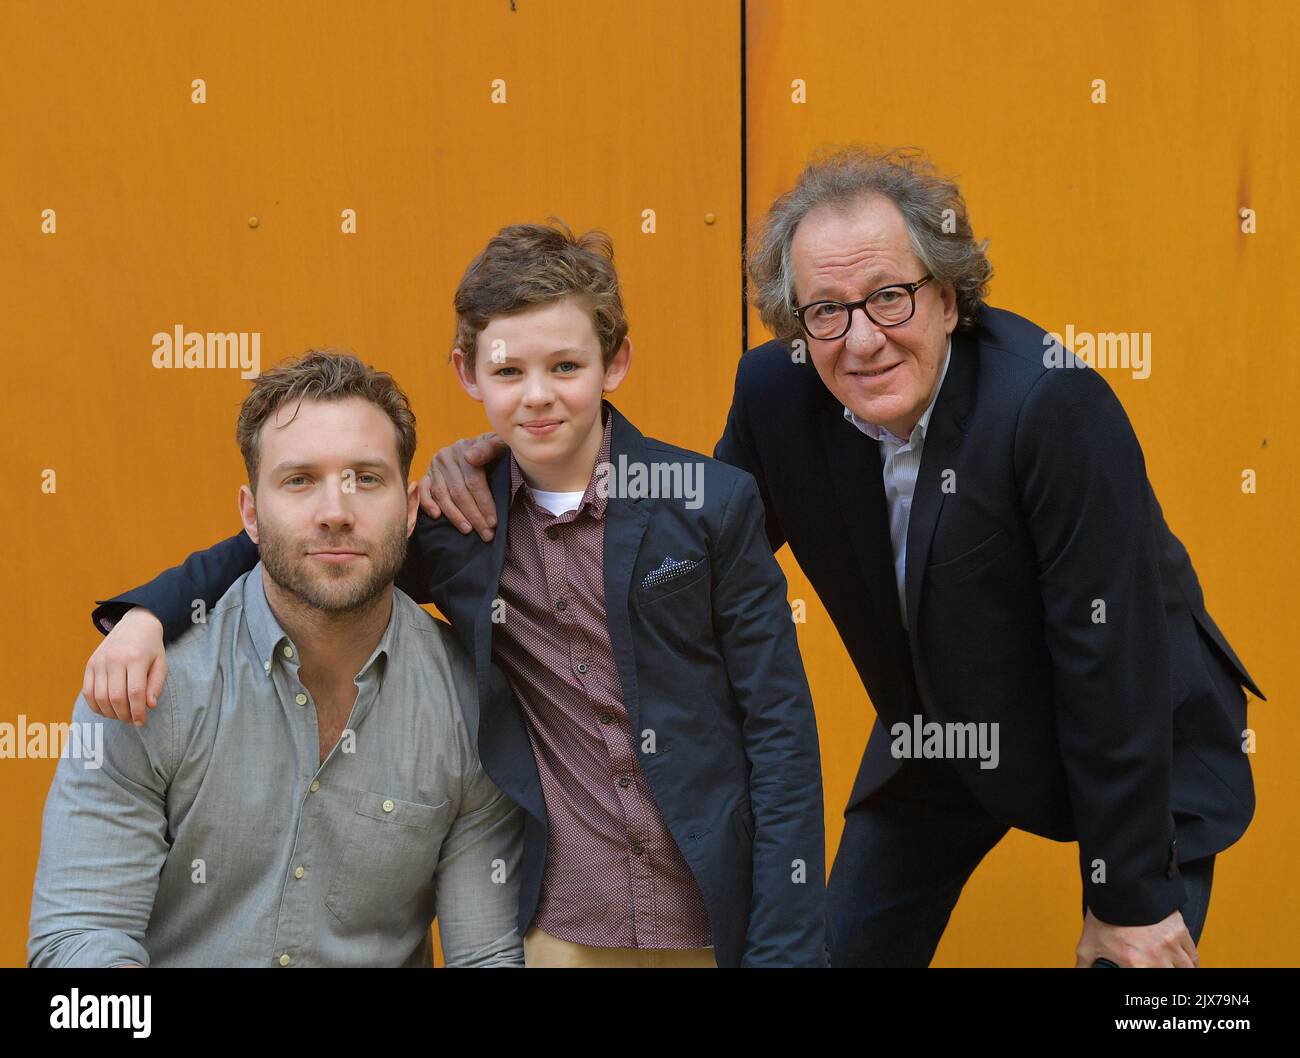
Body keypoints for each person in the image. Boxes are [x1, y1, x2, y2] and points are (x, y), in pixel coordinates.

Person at [421, 149, 1262, 968]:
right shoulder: (777, 396)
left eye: (890, 298)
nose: (862, 341)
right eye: (826, 311)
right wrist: (503, 458)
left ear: (949, 296)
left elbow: (1108, 657)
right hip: (942, 730)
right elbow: (687, 543)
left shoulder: (1049, 405)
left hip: (1137, 734)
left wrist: (1127, 900)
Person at [80, 222, 827, 968]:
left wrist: (786, 950)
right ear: (467, 373)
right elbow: (292, 543)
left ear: (615, 362)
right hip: (558, 927)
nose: (538, 397)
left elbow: (781, 734)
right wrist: (149, 615)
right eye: (508, 372)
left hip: (718, 915)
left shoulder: (711, 504)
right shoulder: (454, 525)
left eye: (566, 365)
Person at [31, 351, 524, 967]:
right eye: (299, 480)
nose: (335, 511)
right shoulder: (146, 684)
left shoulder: (469, 702)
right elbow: (76, 943)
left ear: (409, 506)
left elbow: (487, 957)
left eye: (366, 479)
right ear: (249, 515)